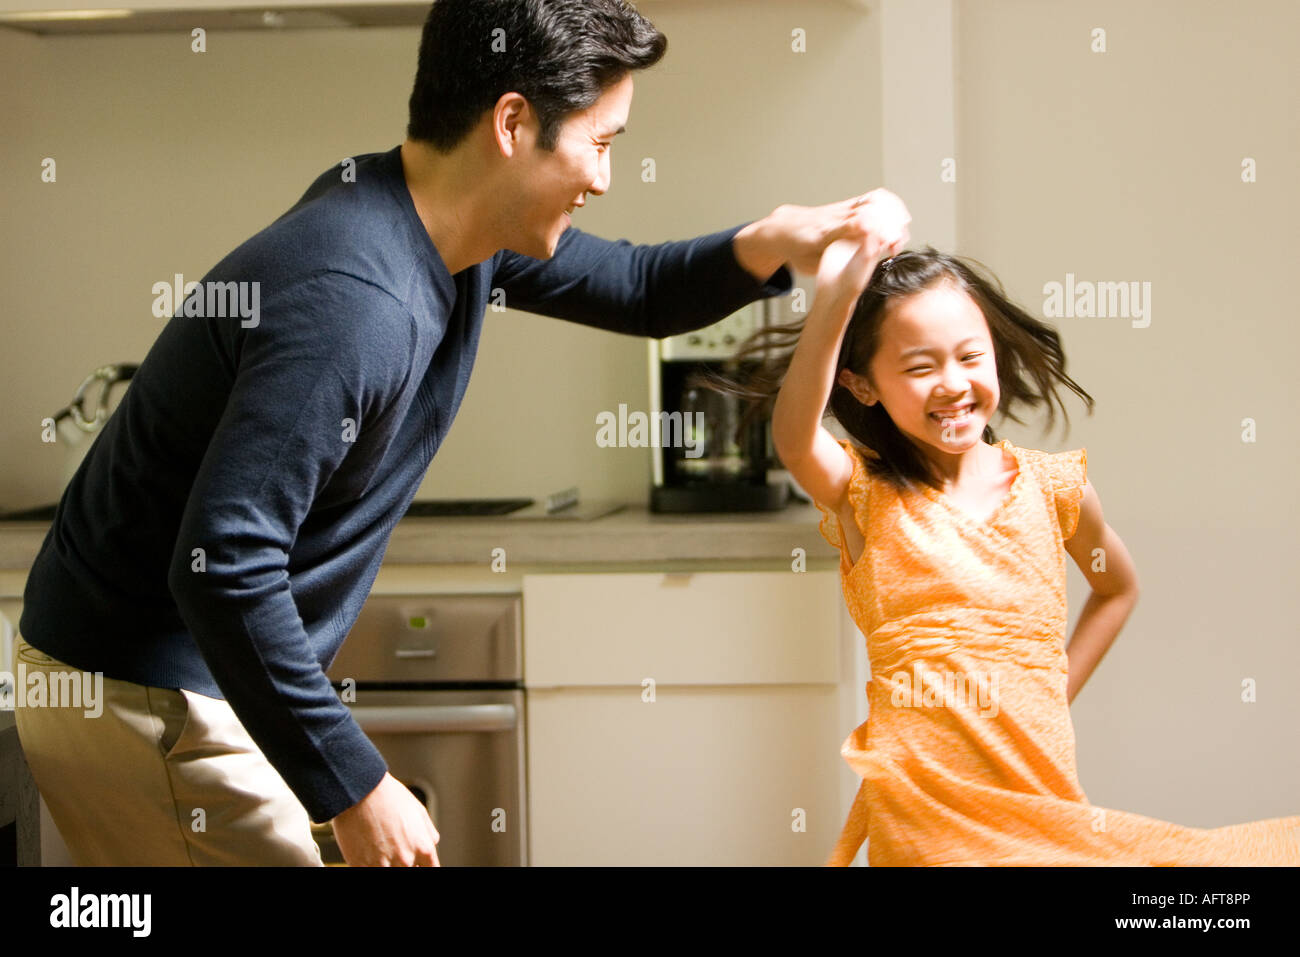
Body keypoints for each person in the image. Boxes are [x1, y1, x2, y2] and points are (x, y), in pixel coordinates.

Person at [11, 0, 910, 867]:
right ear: (513, 122)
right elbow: (225, 560)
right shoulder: (355, 300)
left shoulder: (441, 221)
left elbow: (639, 288)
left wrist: (783, 239)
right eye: (599, 144)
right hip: (143, 691)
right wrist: (358, 785)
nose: (603, 177)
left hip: (177, 679)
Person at [720, 231, 1300, 865]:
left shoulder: (1053, 490)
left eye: (971, 356)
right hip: (924, 812)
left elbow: (1117, 587)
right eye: (919, 367)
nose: (952, 384)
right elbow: (796, 437)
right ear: (863, 386)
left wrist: (1054, 687)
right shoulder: (862, 492)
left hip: (1037, 794)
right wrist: (834, 299)